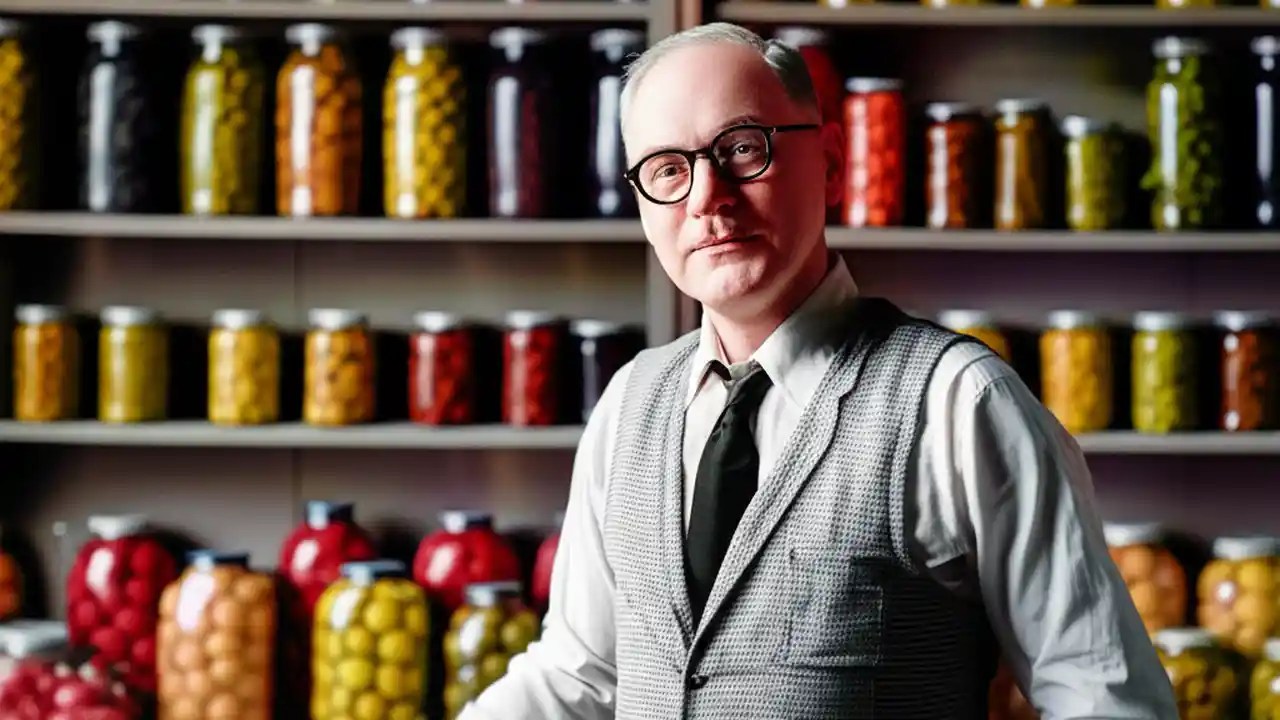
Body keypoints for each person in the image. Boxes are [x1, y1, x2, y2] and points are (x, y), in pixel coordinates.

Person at [459, 22, 1177, 719]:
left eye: (743, 149)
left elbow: (1103, 697)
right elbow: (580, 676)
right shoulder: (629, 404)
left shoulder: (958, 403)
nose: (707, 198)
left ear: (832, 161)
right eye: (669, 170)